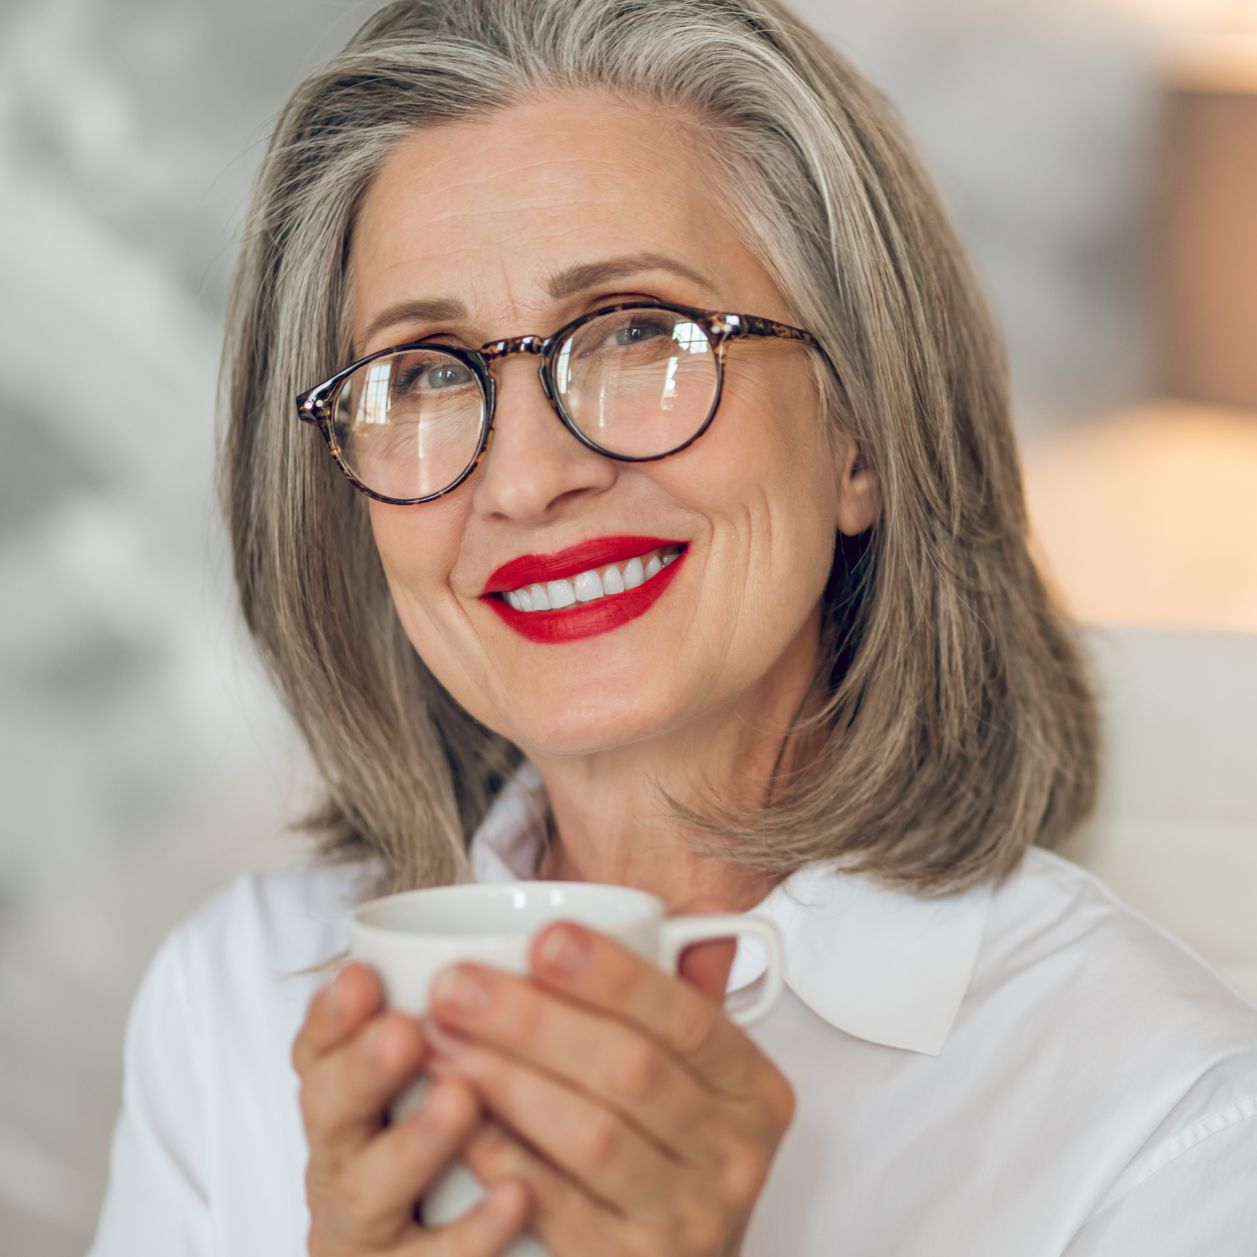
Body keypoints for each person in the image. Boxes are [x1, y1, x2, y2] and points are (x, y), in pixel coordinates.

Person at [88, 1, 1257, 1254]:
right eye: (426, 369)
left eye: (640, 331)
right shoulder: (234, 996)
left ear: (861, 431)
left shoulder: (1167, 1118)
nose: (527, 478)